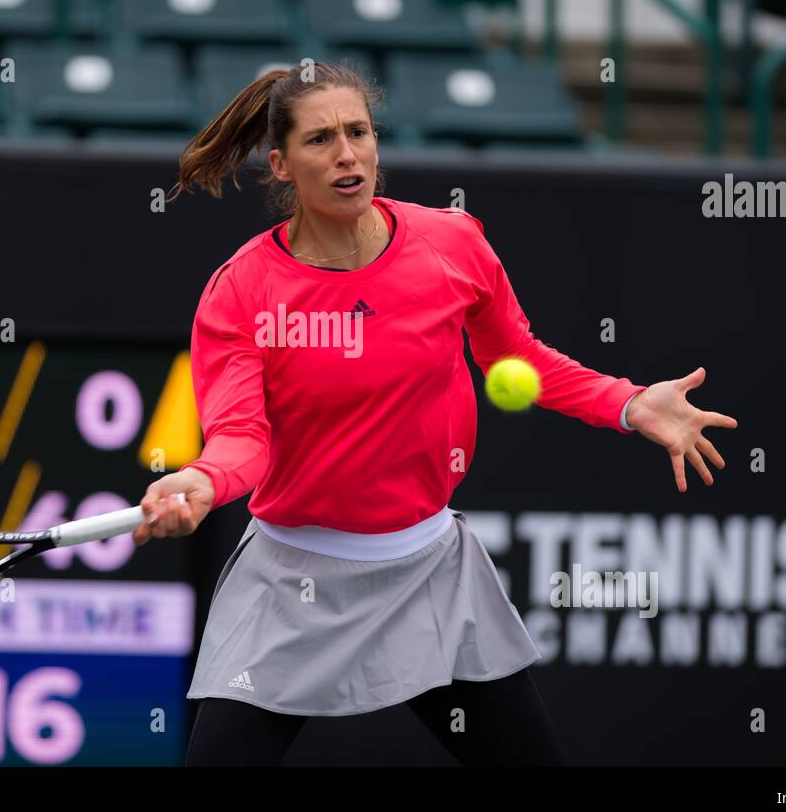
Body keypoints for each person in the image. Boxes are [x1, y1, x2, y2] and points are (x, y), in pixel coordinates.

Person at [131, 61, 738, 766]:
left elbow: (520, 359)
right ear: (281, 165)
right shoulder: (243, 291)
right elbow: (241, 436)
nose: (348, 155)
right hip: (291, 584)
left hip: (428, 576)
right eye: (321, 140)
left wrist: (629, 403)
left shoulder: (452, 244)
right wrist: (205, 480)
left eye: (358, 132)